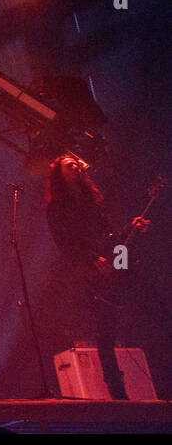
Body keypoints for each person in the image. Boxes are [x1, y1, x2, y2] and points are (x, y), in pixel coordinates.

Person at [45, 154, 149, 400]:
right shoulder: (58, 208)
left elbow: (109, 237)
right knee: (106, 331)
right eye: (70, 165)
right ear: (60, 174)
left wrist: (130, 228)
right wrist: (90, 260)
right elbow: (64, 243)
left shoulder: (93, 199)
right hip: (91, 274)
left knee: (151, 309)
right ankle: (117, 392)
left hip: (115, 267)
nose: (77, 166)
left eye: (77, 163)